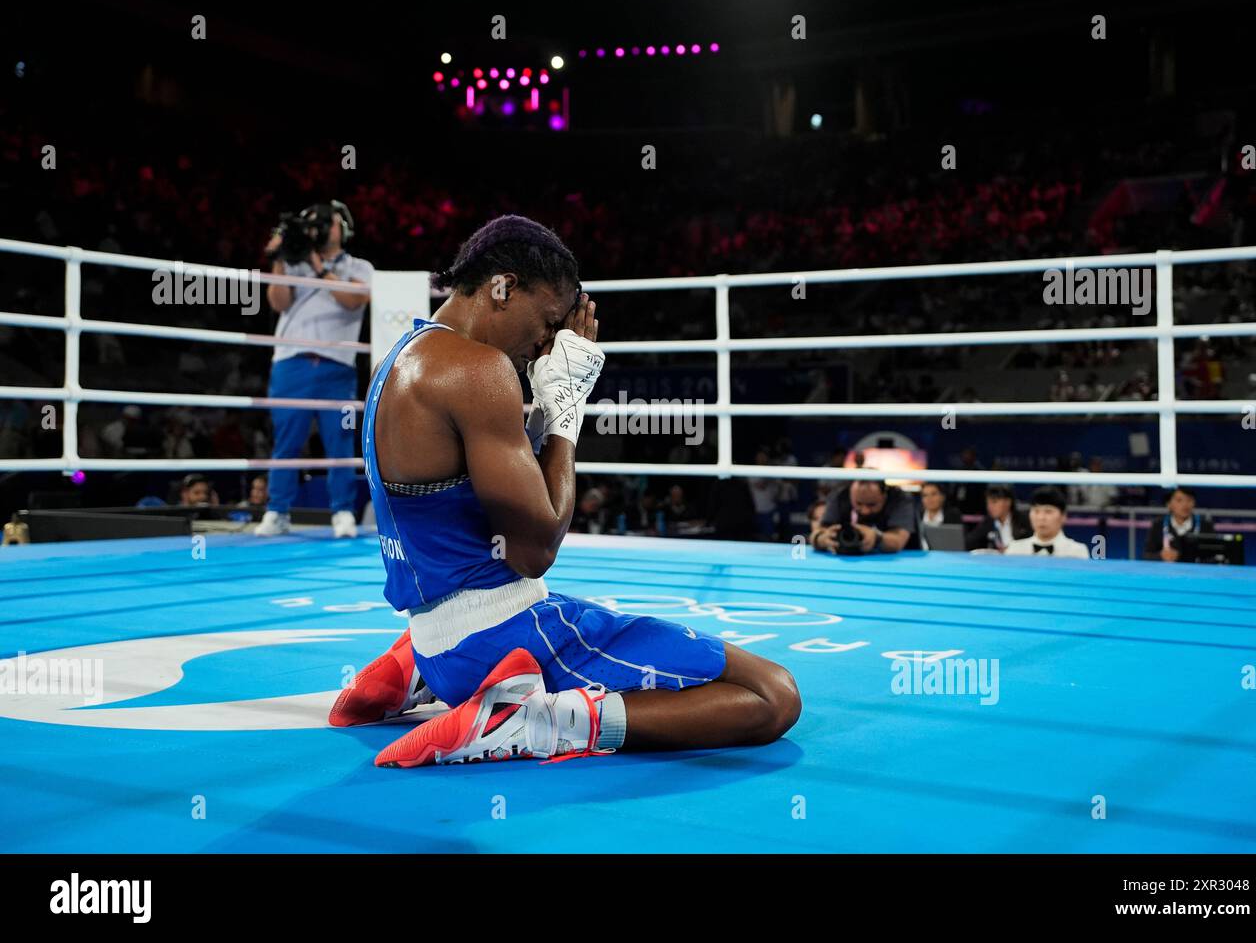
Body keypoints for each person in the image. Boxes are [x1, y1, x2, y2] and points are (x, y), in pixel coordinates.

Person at [328, 215, 800, 767]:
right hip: (502, 640)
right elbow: (534, 552)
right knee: (773, 695)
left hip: (442, 640)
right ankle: (538, 721)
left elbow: (470, 507)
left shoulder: (398, 361)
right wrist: (565, 410)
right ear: (502, 287)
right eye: (548, 320)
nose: (546, 343)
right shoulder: (478, 370)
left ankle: (415, 665)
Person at [256, 201, 372, 539]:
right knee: (286, 442)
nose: (321, 228)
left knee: (339, 441)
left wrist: (318, 266)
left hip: (337, 365)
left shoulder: (359, 267)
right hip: (291, 361)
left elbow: (353, 300)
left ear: (343, 229)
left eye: (328, 222)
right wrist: (280, 257)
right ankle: (277, 510)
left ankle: (342, 512)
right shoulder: (293, 264)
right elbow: (277, 303)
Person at [811, 474, 917, 554]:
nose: (865, 510)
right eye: (858, 504)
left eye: (872, 504)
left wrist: (877, 538)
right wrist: (822, 539)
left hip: (903, 561)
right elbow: (816, 533)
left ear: (884, 495)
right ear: (851, 494)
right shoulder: (839, 495)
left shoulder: (900, 499)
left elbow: (898, 540)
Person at [1003, 486, 1090, 559]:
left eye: (1048, 511)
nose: (1041, 518)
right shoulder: (1015, 550)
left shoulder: (1077, 552)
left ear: (1063, 516)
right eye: (1036, 511)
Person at [1143, 487, 1215, 561]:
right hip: (1167, 571)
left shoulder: (1206, 526)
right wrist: (1160, 556)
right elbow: (1147, 555)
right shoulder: (1158, 525)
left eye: (1189, 500)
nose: (1185, 505)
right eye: (1179, 500)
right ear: (1168, 504)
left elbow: (1214, 556)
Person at [965, 484, 1031, 551]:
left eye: (994, 502)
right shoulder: (988, 522)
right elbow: (969, 542)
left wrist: (1011, 549)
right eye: (988, 503)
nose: (989, 507)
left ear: (1008, 502)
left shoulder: (1024, 519)